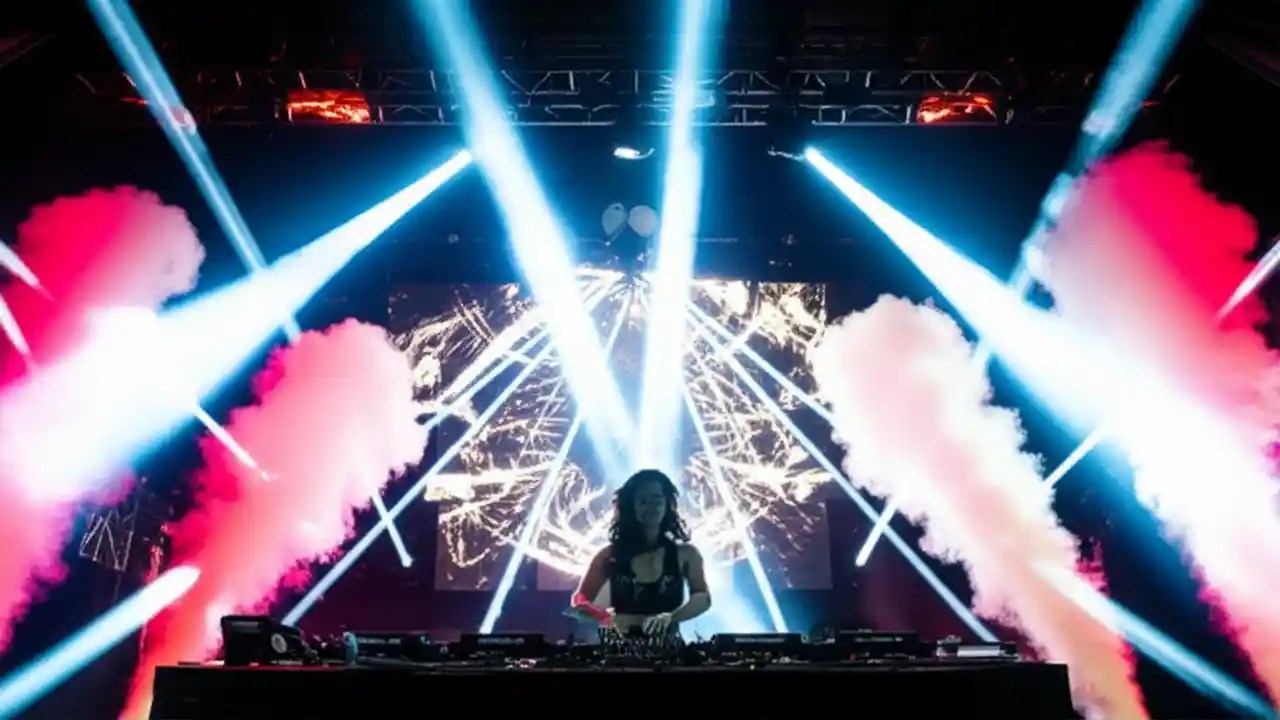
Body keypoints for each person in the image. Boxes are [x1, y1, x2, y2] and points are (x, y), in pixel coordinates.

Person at [571, 469, 711, 636]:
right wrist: (607, 618)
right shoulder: (609, 556)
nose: (649, 507)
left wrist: (670, 617)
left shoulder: (686, 554)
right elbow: (580, 600)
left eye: (656, 500)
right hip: (618, 656)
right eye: (642, 501)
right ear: (632, 507)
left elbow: (703, 597)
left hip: (670, 655)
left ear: (668, 504)